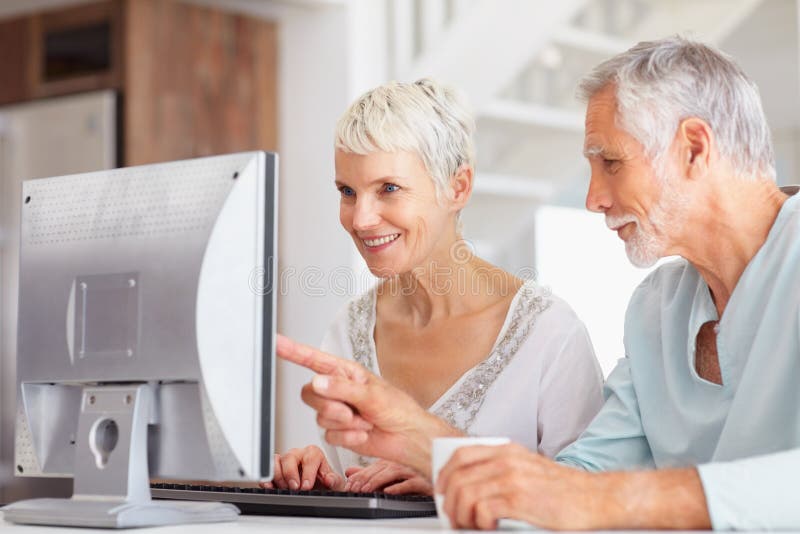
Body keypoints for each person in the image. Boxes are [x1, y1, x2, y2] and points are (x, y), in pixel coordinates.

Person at [276, 35, 800, 531]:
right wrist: (419, 435)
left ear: (693, 148)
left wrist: (608, 500)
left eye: (611, 163)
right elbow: (575, 480)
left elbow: (591, 497)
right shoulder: (656, 309)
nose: (593, 197)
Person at [267, 79, 604, 495]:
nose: (361, 219)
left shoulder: (550, 334)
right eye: (348, 192)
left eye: (388, 188)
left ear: (458, 187)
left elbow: (591, 501)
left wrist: (450, 471)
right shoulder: (349, 329)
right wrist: (317, 474)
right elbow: (351, 489)